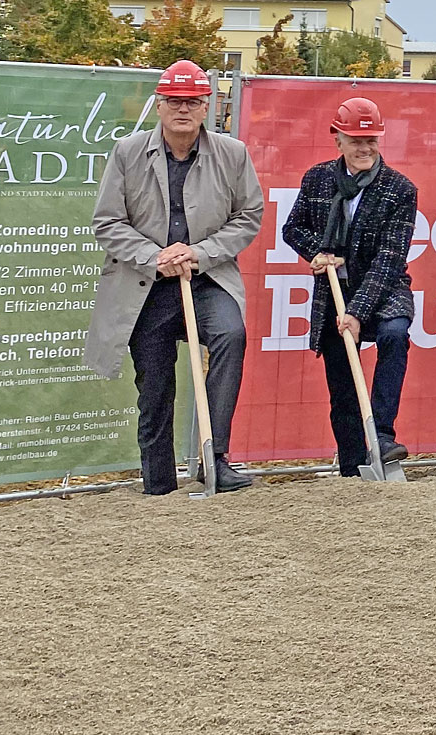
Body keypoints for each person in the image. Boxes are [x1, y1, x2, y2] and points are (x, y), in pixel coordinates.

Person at [85, 60, 263, 495]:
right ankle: (159, 483)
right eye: (174, 101)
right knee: (155, 384)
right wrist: (155, 256)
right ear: (159, 105)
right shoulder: (127, 153)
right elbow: (108, 222)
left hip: (209, 279)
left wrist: (200, 252)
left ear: (206, 107)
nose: (183, 109)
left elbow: (248, 215)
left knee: (231, 335)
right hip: (145, 284)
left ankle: (215, 460)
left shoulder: (233, 154)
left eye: (192, 102)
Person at [281, 97, 418, 475]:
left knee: (394, 334)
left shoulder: (400, 189)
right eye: (356, 140)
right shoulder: (317, 178)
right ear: (337, 139)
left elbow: (390, 258)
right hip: (333, 291)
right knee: (342, 386)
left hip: (383, 287)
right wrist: (319, 251)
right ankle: (353, 468)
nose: (364, 148)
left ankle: (383, 434)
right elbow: (292, 228)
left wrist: (357, 312)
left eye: (371, 140)